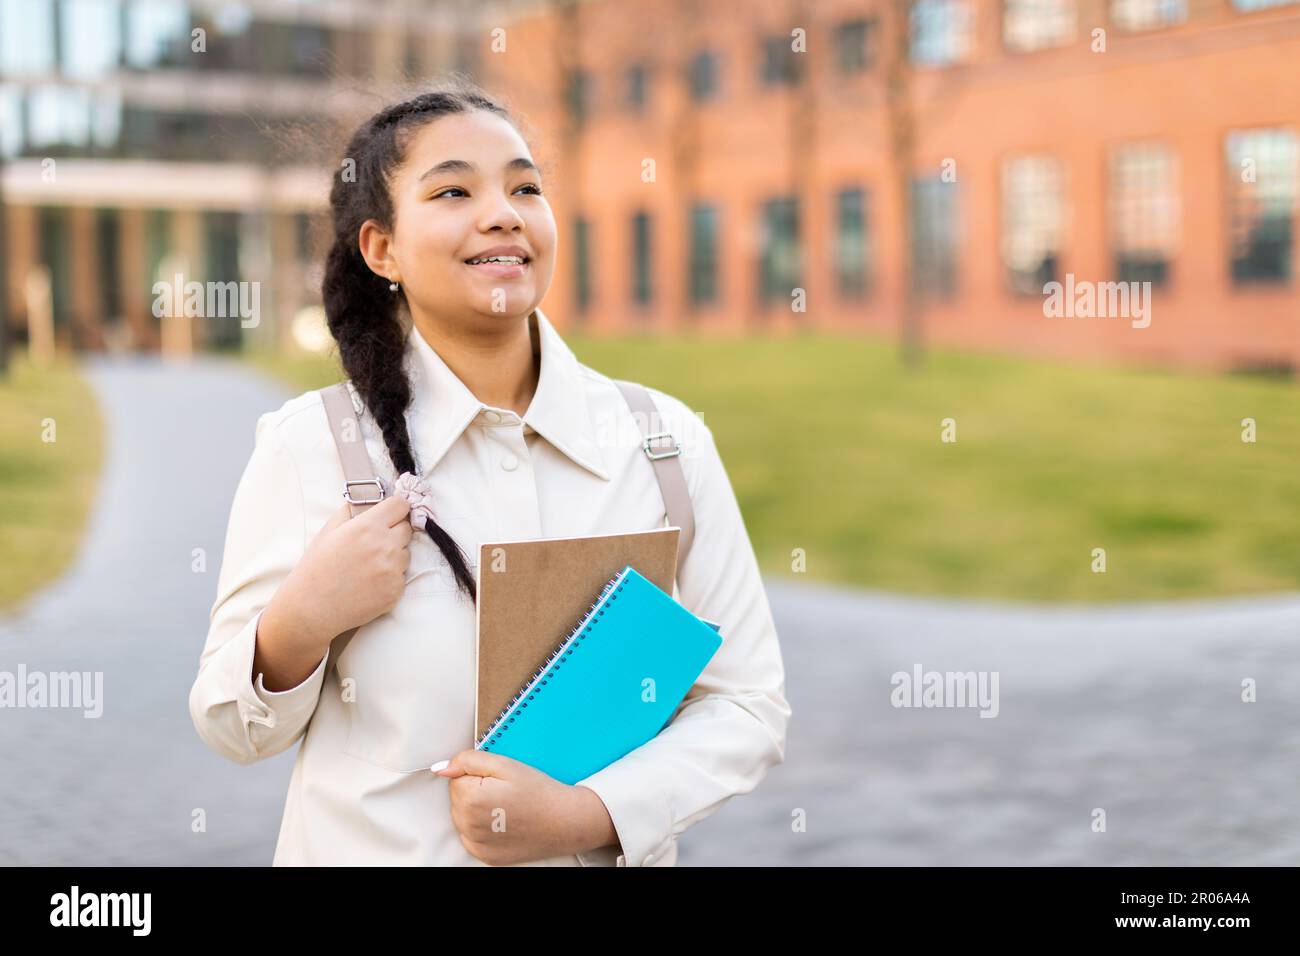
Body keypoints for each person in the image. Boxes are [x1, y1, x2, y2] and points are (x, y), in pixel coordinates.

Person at [188, 80, 790, 866]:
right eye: (453, 190)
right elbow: (232, 727)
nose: (503, 211)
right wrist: (301, 619)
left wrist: (589, 814)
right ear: (382, 249)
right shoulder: (313, 448)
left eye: (525, 186)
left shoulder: (663, 442)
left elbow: (747, 706)